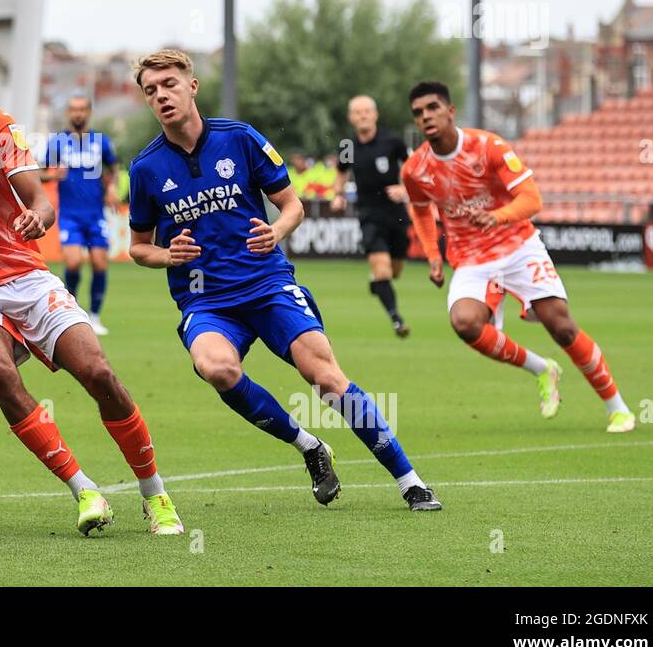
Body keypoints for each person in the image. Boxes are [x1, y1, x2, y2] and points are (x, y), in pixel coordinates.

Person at [0, 25, 184, 536]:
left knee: (99, 375)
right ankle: (84, 490)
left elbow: (41, 199)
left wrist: (39, 218)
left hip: (23, 274)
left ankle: (154, 493)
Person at [126, 49, 441, 511]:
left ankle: (410, 481)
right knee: (216, 368)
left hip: (267, 283)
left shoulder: (241, 138)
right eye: (150, 91)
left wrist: (275, 230)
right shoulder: (146, 168)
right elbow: (137, 246)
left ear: (192, 86)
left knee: (327, 379)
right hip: (206, 301)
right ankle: (309, 446)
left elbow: (291, 205)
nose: (161, 96)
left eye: (169, 84)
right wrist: (165, 254)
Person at [400, 80, 635, 433]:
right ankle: (542, 369)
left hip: (517, 247)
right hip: (471, 260)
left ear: (451, 111)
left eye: (432, 108)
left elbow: (532, 199)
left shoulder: (488, 146)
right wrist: (434, 254)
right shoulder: (415, 169)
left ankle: (618, 408)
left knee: (562, 326)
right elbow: (420, 211)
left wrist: (497, 216)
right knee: (464, 322)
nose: (426, 117)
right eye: (418, 113)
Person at [332, 95, 412, 337]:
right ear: (351, 118)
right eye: (358, 112)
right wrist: (338, 194)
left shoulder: (393, 142)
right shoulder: (347, 145)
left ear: (375, 114)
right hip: (369, 215)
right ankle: (396, 318)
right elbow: (341, 173)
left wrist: (405, 189)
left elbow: (412, 170)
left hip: (396, 214)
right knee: (382, 270)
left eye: (367, 111)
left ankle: (378, 285)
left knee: (393, 272)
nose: (363, 115)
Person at [39, 95, 118, 334]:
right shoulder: (57, 143)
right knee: (73, 262)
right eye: (74, 109)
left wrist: (112, 187)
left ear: (89, 112)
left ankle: (94, 316)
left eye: (82, 109)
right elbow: (39, 174)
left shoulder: (101, 142)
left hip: (96, 215)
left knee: (100, 264)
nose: (78, 114)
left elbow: (113, 168)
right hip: (70, 215)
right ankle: (72, 312)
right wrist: (53, 176)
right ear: (68, 113)